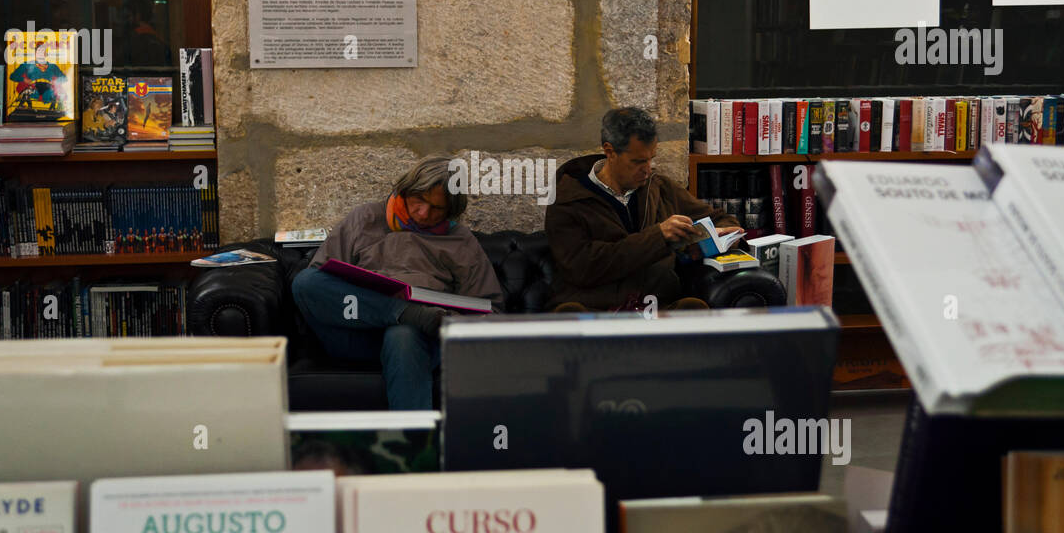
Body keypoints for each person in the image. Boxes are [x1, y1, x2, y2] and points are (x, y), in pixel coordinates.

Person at [292, 157, 503, 410]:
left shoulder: (460, 240)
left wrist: (453, 321)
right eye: (420, 200)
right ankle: (409, 314)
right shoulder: (365, 219)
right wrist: (399, 309)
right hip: (357, 335)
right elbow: (321, 286)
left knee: (402, 333)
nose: (424, 213)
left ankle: (413, 444)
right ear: (405, 190)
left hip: (419, 341)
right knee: (305, 281)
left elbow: (490, 310)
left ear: (451, 211)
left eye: (437, 208)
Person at [545, 107, 742, 311]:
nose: (647, 169)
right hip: (595, 309)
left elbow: (722, 220)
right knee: (569, 314)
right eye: (638, 161)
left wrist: (724, 236)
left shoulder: (660, 187)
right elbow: (582, 267)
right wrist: (658, 237)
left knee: (694, 308)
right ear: (610, 152)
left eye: (651, 159)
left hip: (655, 307)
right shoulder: (568, 199)